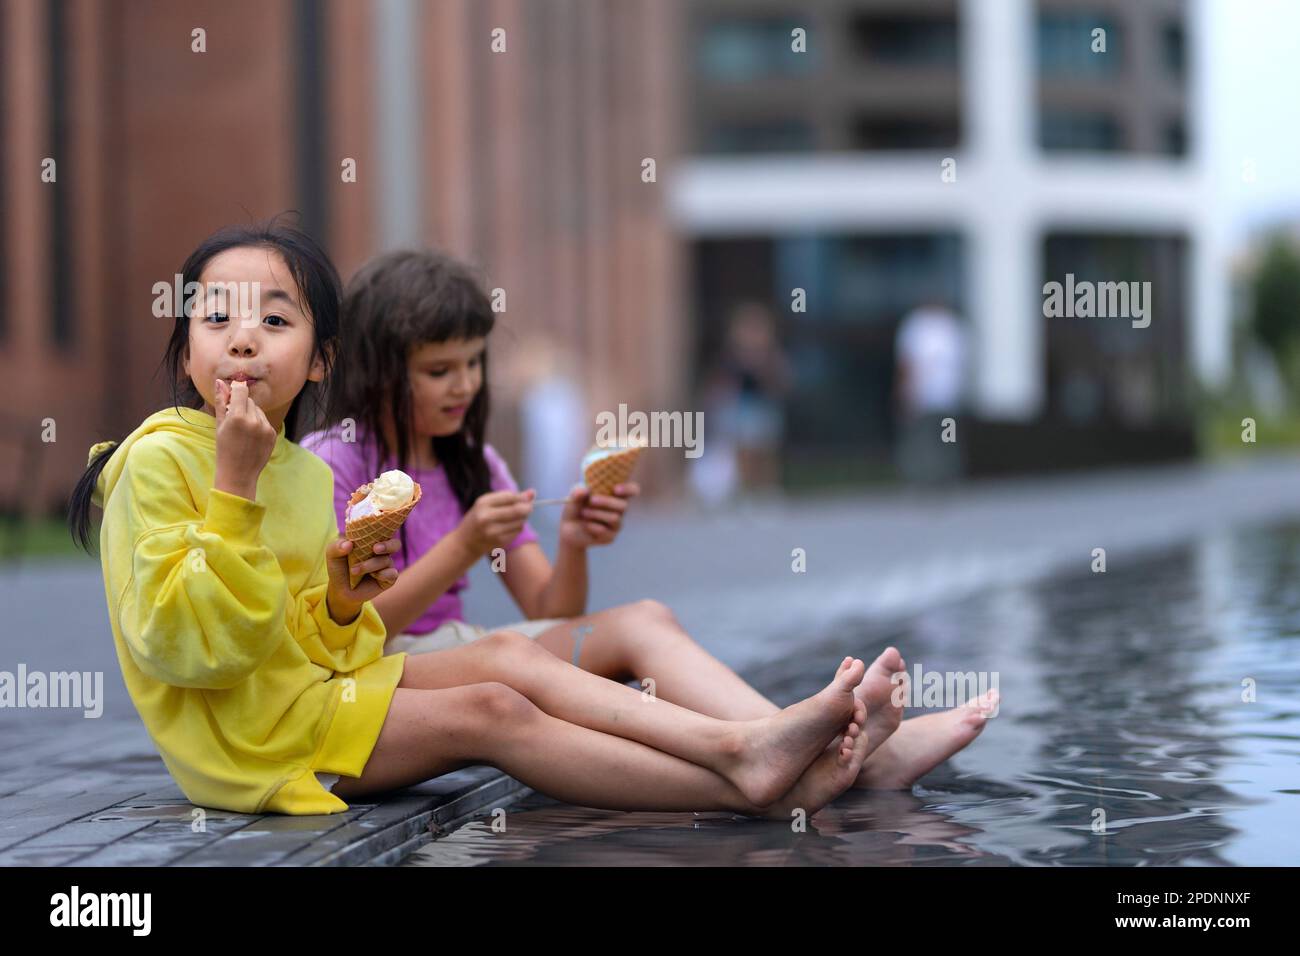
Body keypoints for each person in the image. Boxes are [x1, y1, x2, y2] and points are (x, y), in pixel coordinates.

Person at [67, 222, 897, 818]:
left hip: (308, 699)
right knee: (495, 711)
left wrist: (342, 602)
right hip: (245, 745)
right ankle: (745, 765)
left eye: (275, 320)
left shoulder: (301, 471)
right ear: (185, 351)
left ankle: (765, 756)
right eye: (218, 318)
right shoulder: (161, 462)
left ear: (321, 358)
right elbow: (193, 649)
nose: (244, 339)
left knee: (507, 653)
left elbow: (314, 645)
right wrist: (235, 492)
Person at [301, 248, 996, 799]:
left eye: (475, 364)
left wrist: (573, 542)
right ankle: (801, 752)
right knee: (508, 658)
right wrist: (462, 547)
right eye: (439, 370)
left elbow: (551, 610)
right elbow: (349, 629)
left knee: (643, 619)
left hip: (468, 647)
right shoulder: (334, 462)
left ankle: (802, 743)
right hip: (388, 667)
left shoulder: (474, 463)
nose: (465, 386)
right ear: (381, 372)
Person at [893, 300, 968, 485]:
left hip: (943, 398)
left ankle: (939, 478)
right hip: (928, 397)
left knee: (940, 440)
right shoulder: (923, 325)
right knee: (929, 440)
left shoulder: (947, 326)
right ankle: (928, 479)